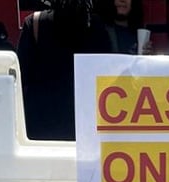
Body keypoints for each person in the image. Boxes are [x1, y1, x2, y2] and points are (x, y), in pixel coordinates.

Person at [17, 0, 111, 140]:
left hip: (41, 127)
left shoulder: (36, 23)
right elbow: (108, 75)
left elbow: (20, 79)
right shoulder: (97, 26)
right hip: (85, 128)